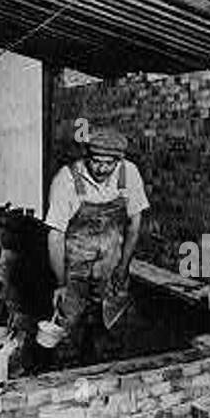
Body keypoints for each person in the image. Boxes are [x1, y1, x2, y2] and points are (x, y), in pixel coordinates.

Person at [42, 124, 148, 365]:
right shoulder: (66, 180)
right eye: (96, 162)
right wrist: (60, 283)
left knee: (113, 329)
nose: (101, 169)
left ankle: (107, 374)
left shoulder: (129, 174)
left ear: (119, 160)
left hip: (111, 265)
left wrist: (123, 267)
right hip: (74, 268)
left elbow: (134, 224)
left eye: (109, 164)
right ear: (86, 156)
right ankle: (66, 374)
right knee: (67, 331)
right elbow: (55, 236)